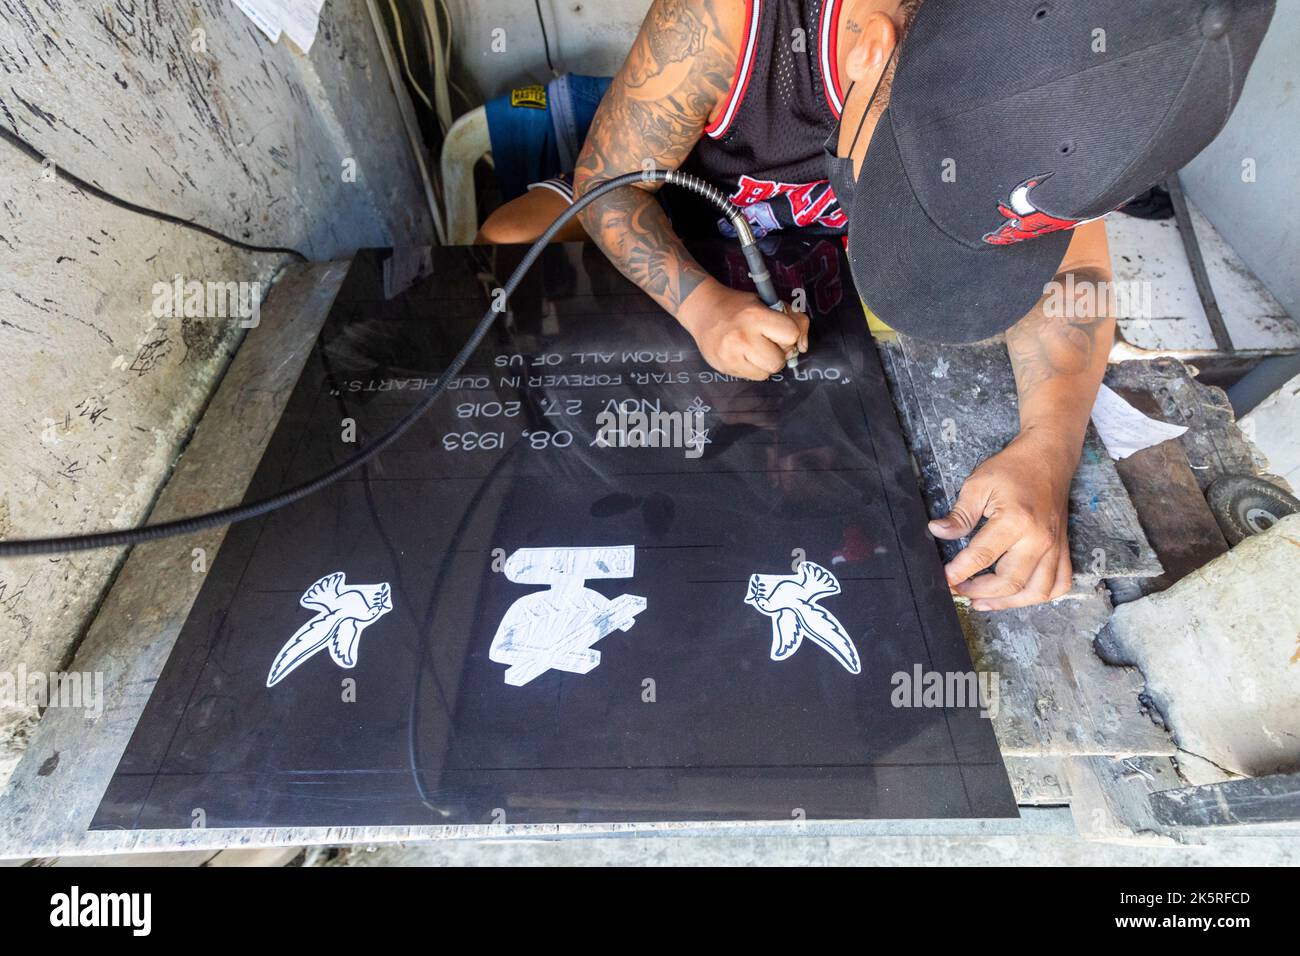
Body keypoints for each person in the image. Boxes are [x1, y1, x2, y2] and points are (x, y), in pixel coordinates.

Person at [477, 0, 1275, 610]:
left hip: (817, 283)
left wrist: (1049, 445)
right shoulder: (731, 19)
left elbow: (1072, 279)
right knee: (506, 241)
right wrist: (701, 309)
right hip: (690, 224)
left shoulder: (1064, 75)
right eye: (905, 191)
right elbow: (610, 187)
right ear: (869, 51)